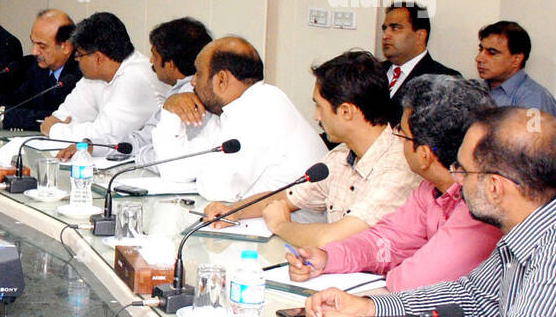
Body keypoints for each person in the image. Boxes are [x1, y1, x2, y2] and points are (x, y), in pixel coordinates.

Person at [305, 107, 556, 317]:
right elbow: (473, 296)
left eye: (463, 170)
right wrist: (370, 308)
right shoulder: (542, 220)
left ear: (494, 187)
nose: (455, 178)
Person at [286, 75, 500, 291]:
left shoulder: (480, 203)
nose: (396, 136)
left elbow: (414, 280)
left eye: (403, 133)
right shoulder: (430, 189)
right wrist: (328, 258)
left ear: (425, 155)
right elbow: (384, 240)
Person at [203, 51, 420, 247]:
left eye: (319, 106)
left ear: (346, 112)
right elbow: (286, 197)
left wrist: (280, 225)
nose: (316, 116)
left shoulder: (399, 166)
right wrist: (234, 211)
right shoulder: (340, 157)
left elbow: (337, 238)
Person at [151, 37, 326, 200]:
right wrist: (170, 111)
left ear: (221, 80)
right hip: (257, 224)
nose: (193, 82)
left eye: (199, 74)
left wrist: (203, 172)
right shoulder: (228, 112)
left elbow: (218, 189)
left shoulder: (263, 107)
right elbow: (174, 170)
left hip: (290, 227)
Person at [42, 12, 163, 157]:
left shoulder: (137, 78)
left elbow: (103, 138)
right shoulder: (95, 75)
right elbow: (64, 115)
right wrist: (60, 127)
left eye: (79, 54)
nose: (76, 60)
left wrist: (56, 130)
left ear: (98, 58)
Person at [0, 9, 82, 131]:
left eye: (42, 46)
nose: (34, 52)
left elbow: (58, 117)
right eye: (33, 43)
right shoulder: (39, 68)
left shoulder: (81, 72)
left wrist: (2, 115)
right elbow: (19, 99)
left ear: (66, 47)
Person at [129, 16, 214, 164]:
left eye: (154, 55)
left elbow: (156, 153)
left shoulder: (187, 95)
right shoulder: (185, 89)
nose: (150, 61)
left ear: (170, 64)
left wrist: (140, 155)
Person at [378, 2, 460, 109]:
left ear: (420, 36)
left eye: (395, 28)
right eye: (384, 29)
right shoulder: (372, 71)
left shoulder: (444, 79)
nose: (385, 36)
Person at [475, 20, 556, 114]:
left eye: (492, 53)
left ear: (516, 59)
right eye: (480, 50)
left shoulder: (534, 98)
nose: (479, 58)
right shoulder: (475, 90)